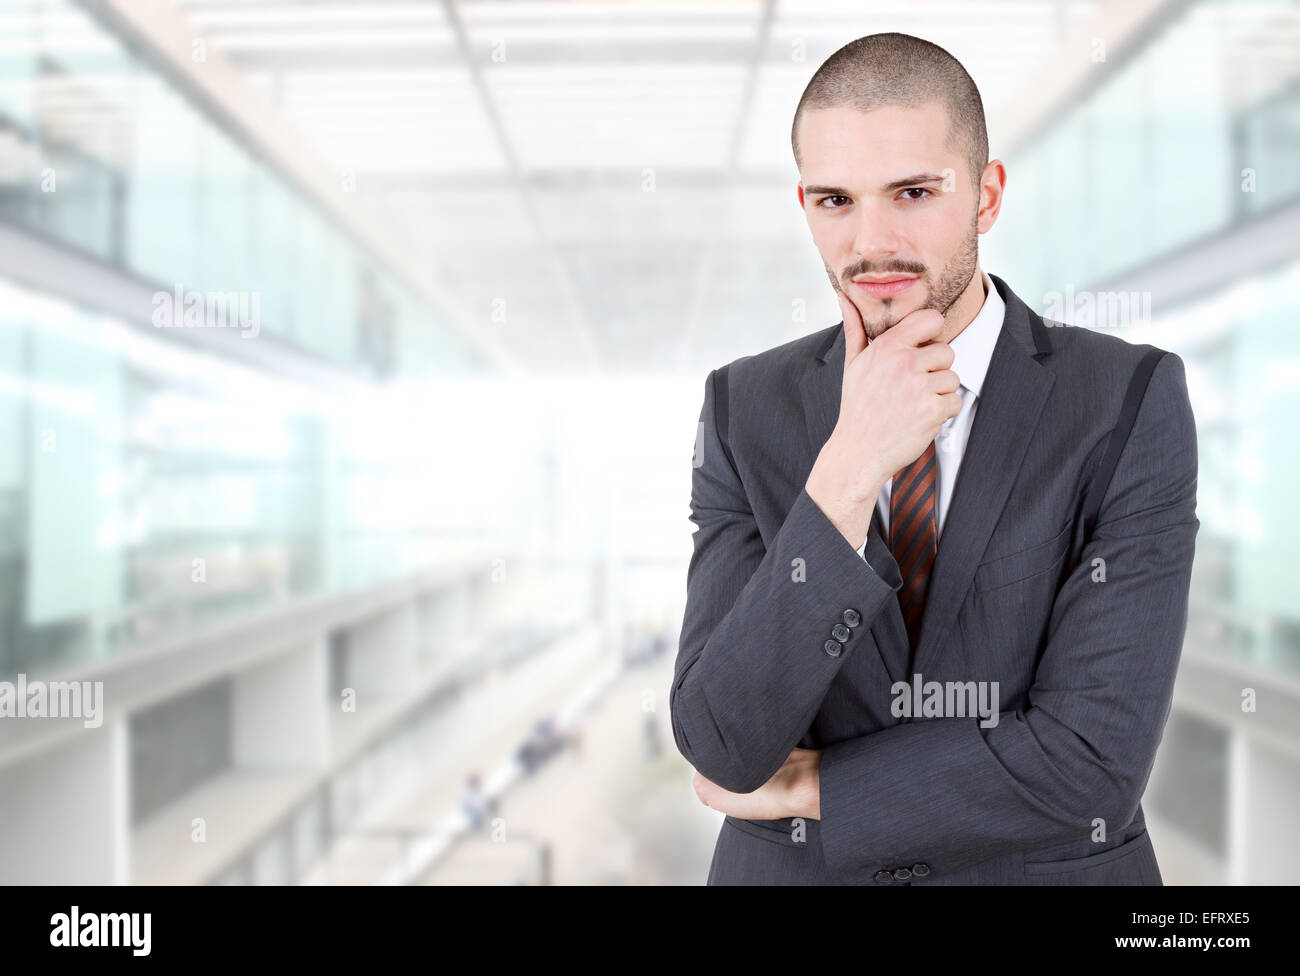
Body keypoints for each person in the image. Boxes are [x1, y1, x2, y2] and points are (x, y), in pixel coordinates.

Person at [670, 32, 1198, 886]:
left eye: (913, 193)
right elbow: (723, 742)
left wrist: (815, 788)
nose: (871, 242)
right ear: (804, 204)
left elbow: (1092, 759)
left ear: (986, 196)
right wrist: (849, 468)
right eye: (835, 200)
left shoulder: (1124, 399)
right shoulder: (743, 409)